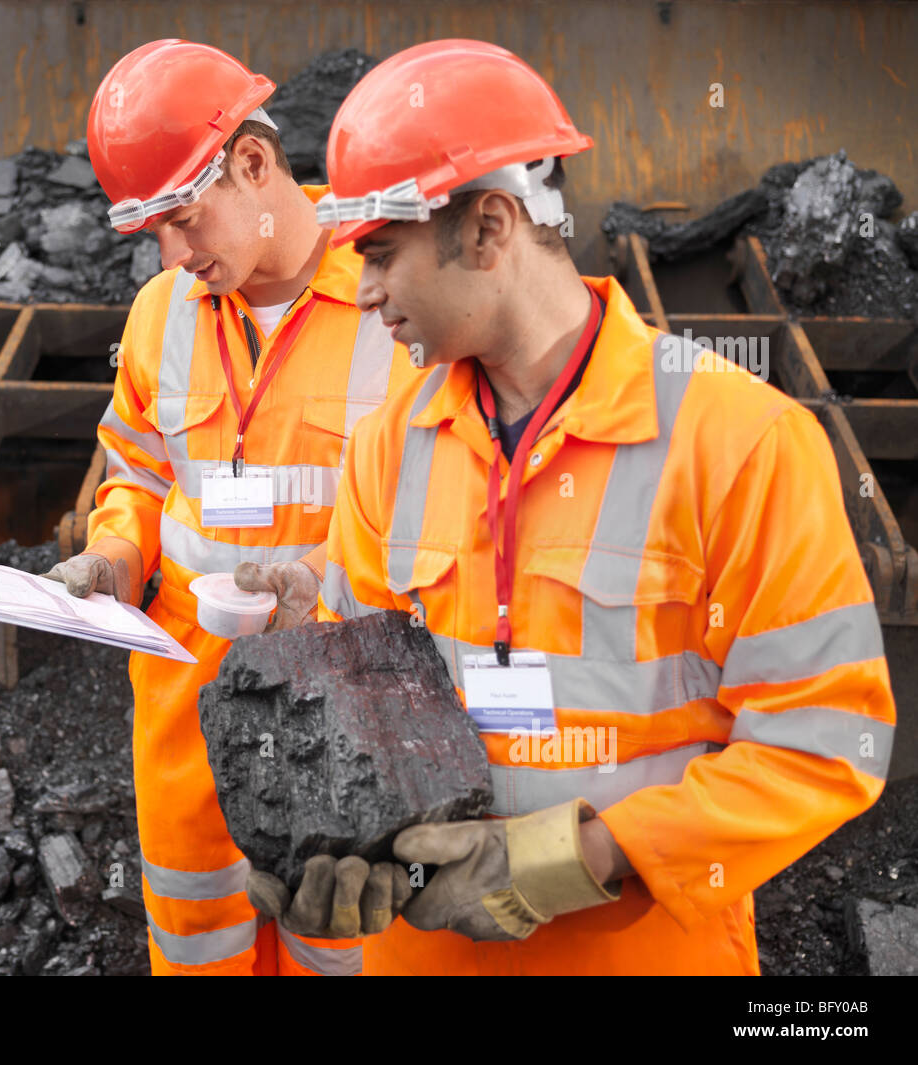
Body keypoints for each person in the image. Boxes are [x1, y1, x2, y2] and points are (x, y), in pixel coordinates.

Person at [245, 38, 897, 975]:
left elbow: (829, 739)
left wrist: (570, 858)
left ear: (488, 227)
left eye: (380, 254)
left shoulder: (742, 440)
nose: (364, 290)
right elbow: (361, 700)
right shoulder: (391, 442)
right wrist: (307, 827)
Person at [45, 39, 422, 976]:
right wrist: (114, 560)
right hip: (185, 706)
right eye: (153, 234)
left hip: (341, 705)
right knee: (194, 937)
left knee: (339, 945)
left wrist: (317, 583)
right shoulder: (161, 314)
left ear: (253, 164)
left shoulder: (398, 307)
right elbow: (134, 474)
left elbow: (437, 513)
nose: (174, 256)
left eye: (185, 219)